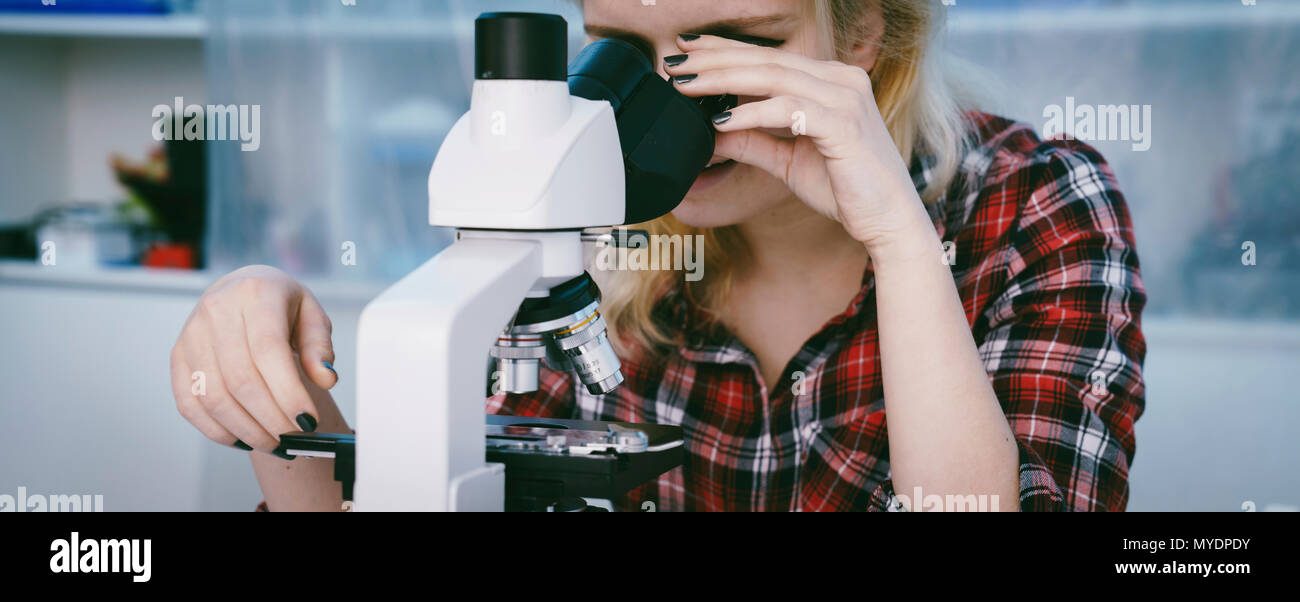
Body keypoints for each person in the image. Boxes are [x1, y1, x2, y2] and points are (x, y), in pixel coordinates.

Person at [169, 0, 1146, 511]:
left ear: (859, 29)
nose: (670, 99)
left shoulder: (1036, 209)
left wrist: (899, 243)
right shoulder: (592, 232)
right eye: (625, 48)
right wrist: (275, 383)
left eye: (733, 44)